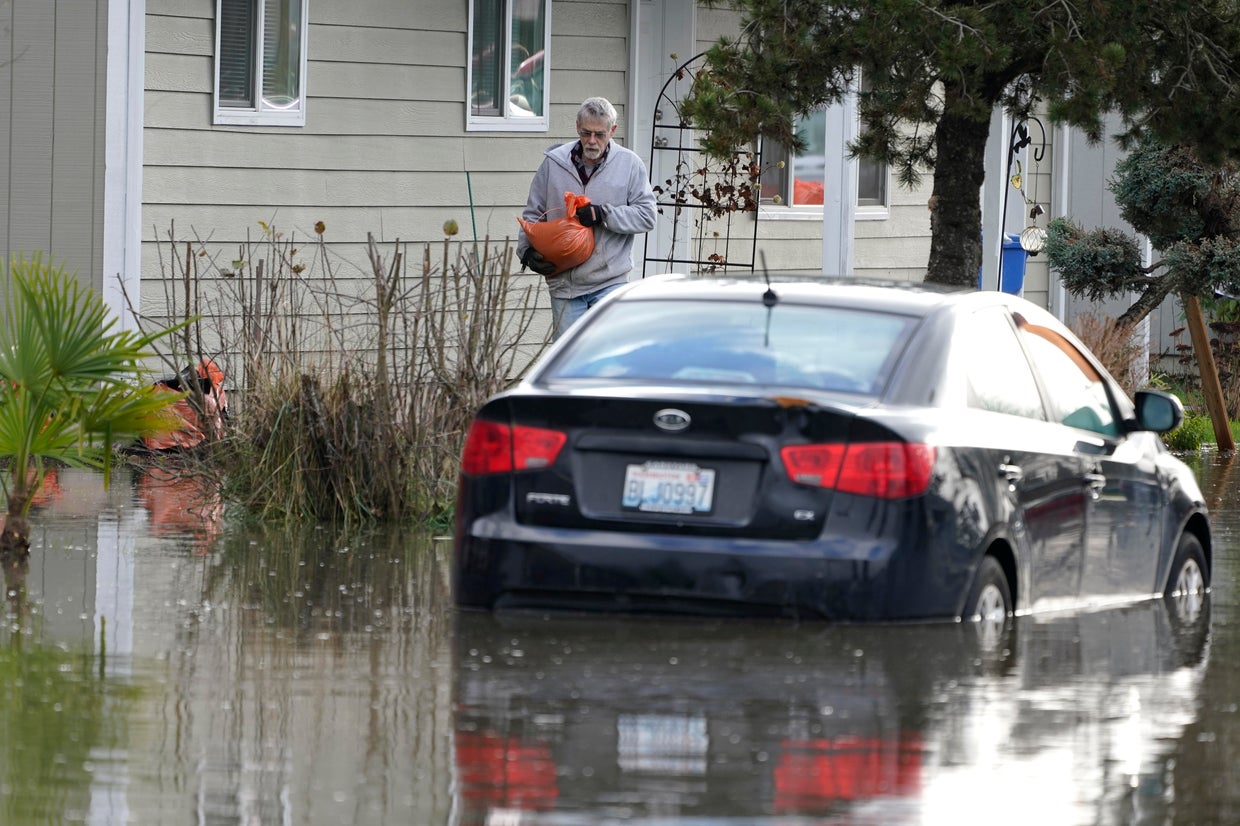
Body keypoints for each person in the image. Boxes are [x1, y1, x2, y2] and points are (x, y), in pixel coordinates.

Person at [518, 97, 657, 339]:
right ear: (577, 127)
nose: (592, 141)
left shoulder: (629, 165)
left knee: (607, 359)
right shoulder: (553, 164)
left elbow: (647, 216)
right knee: (569, 362)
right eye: (586, 133)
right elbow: (533, 214)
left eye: (600, 134)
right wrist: (527, 251)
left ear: (612, 131)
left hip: (609, 281)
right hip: (565, 285)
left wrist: (604, 213)